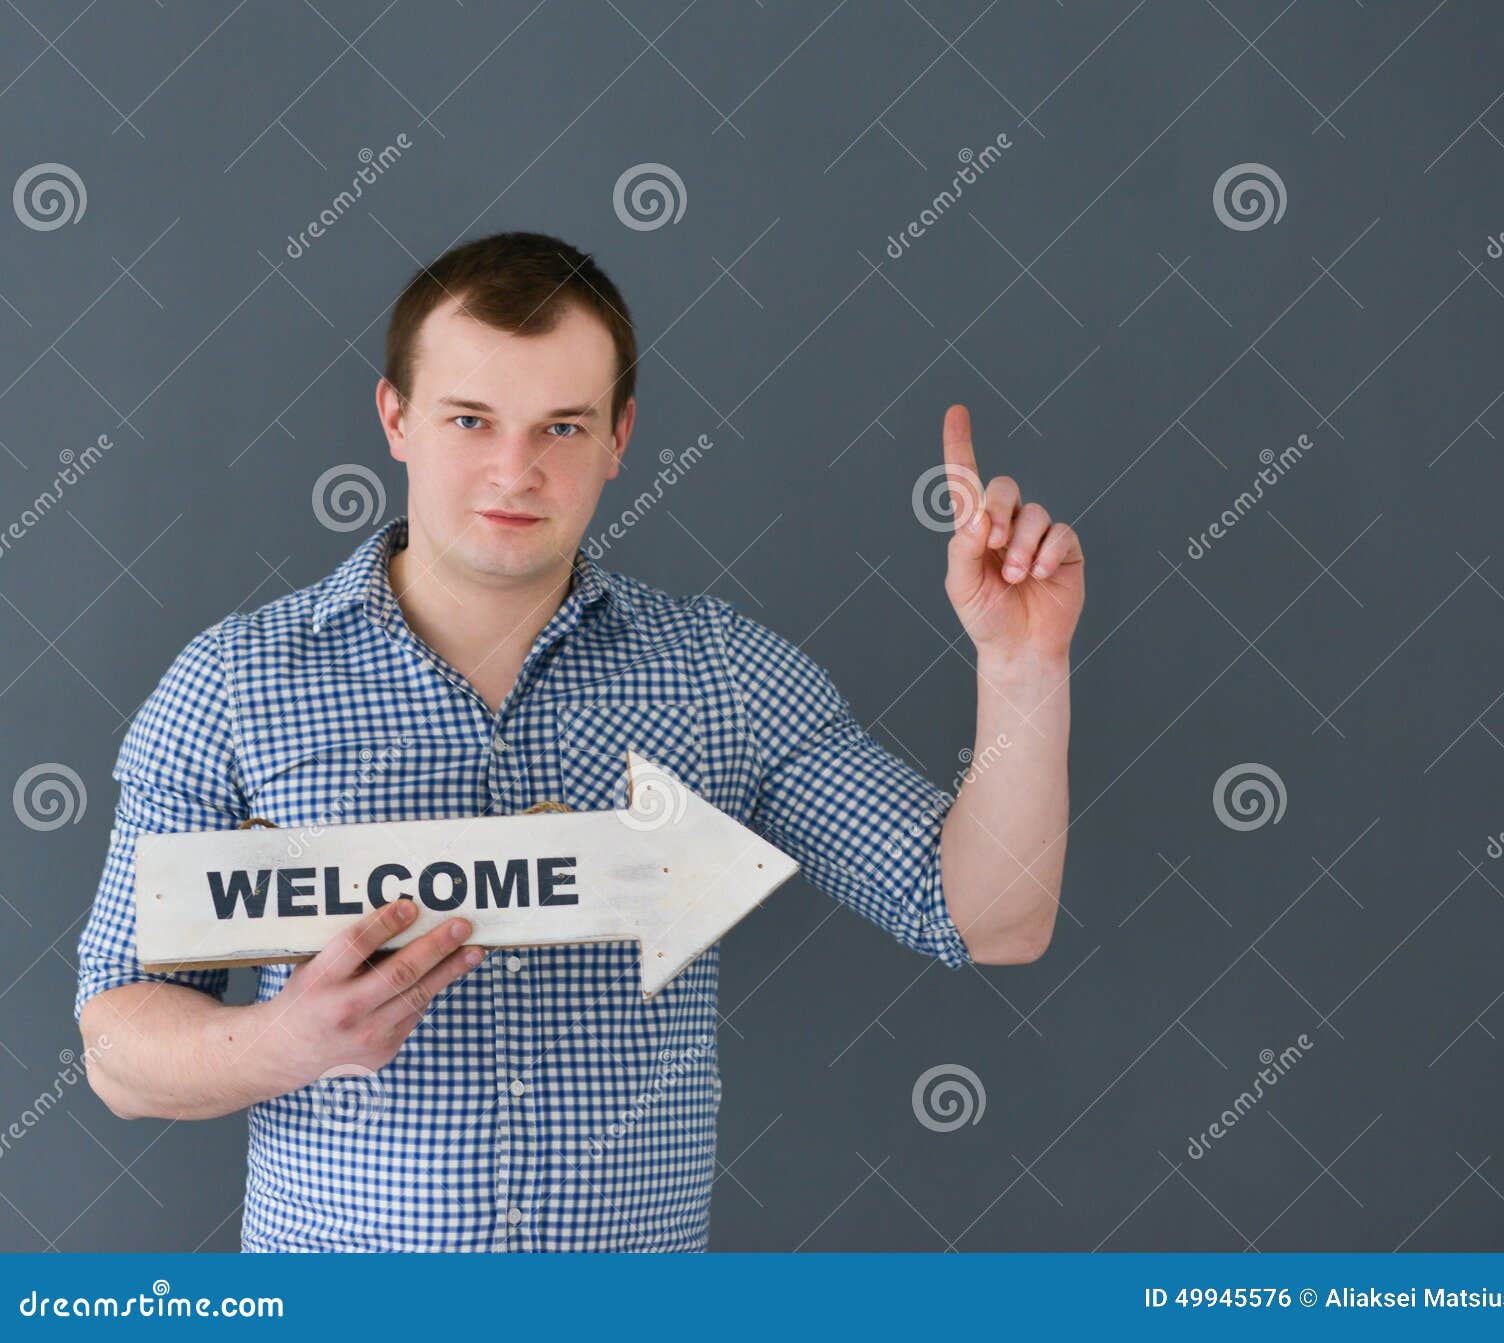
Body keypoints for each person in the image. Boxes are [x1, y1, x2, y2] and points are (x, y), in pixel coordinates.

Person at [74, 231, 1084, 1251]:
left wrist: (1021, 665)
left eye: (562, 426)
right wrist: (284, 1043)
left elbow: (987, 917)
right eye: (471, 418)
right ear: (396, 418)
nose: (515, 470)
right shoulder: (234, 683)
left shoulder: (722, 676)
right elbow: (119, 1048)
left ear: (619, 436)